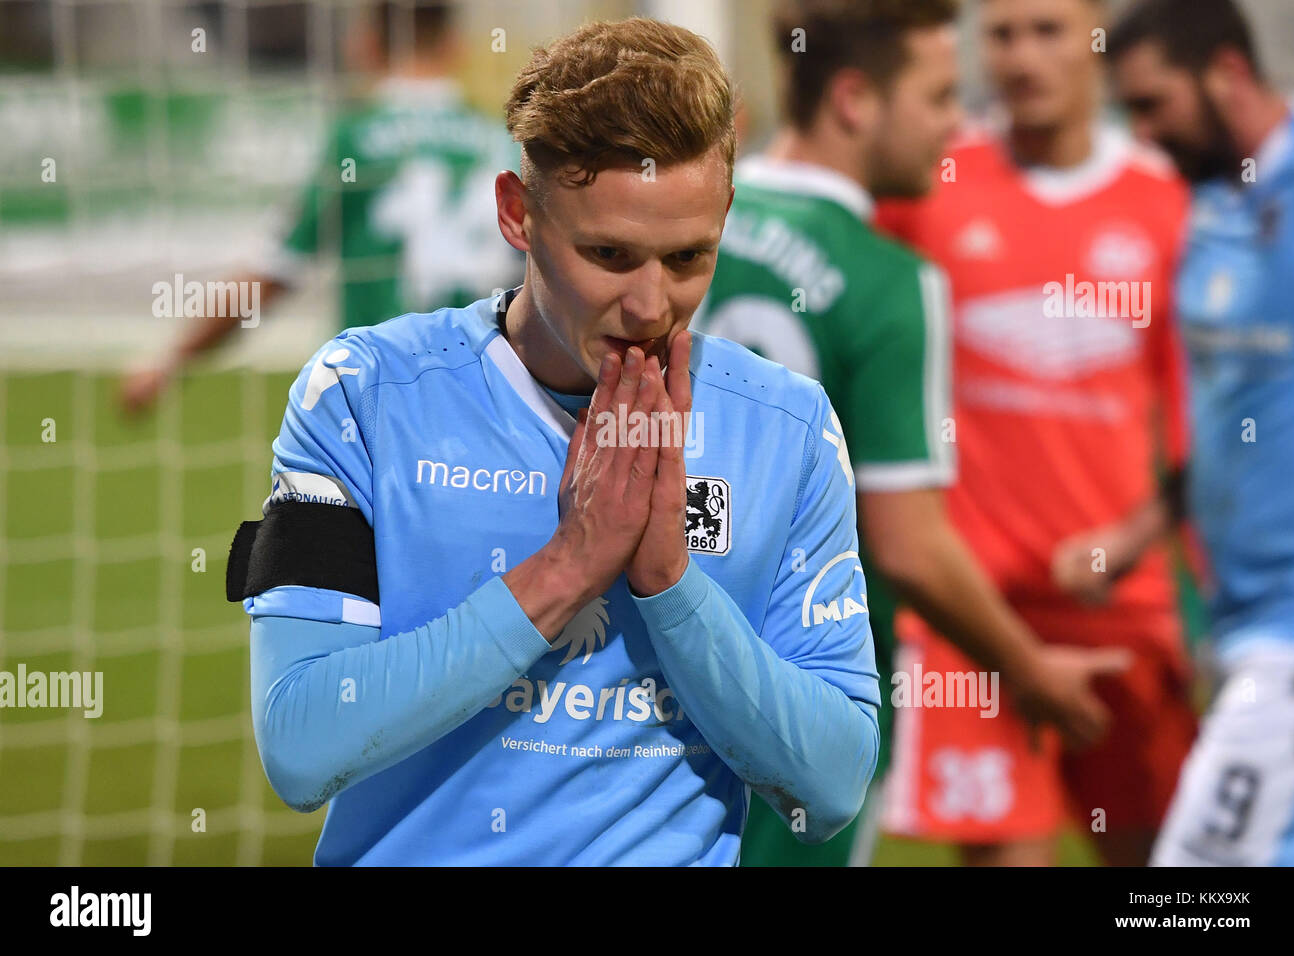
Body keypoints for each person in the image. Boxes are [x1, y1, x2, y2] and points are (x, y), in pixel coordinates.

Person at [226, 17, 881, 866]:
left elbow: (831, 787)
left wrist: (668, 584)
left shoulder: (787, 430)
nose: (651, 304)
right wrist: (569, 566)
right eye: (608, 254)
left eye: (688, 257)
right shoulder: (361, 396)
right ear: (516, 213)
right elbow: (302, 745)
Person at [695, 0, 1126, 868]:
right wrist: (1032, 674)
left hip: (651, 654)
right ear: (855, 101)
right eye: (937, 98)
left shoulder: (680, 224)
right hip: (804, 689)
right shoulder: (887, 279)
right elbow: (909, 548)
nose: (955, 126)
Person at [873, 0, 1196, 866]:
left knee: (1166, 881)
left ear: (1096, 38)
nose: (1022, 58)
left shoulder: (1167, 202)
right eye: (1003, 34)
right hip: (974, 610)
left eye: (1048, 31)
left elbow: (1203, 429)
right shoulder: (934, 184)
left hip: (1117, 602)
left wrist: (1133, 542)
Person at [1108, 0, 1294, 867]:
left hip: (1289, 640)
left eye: (1155, 105)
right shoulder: (1211, 207)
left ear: (1225, 73)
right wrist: (1139, 534)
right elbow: (1234, 420)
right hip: (1233, 616)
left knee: (1193, 883)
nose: (1146, 135)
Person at [120, 0, 519, 415]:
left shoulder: (357, 138)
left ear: (366, 44)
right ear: (456, 46)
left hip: (382, 385)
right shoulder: (499, 140)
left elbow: (274, 272)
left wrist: (171, 361)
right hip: (481, 389)